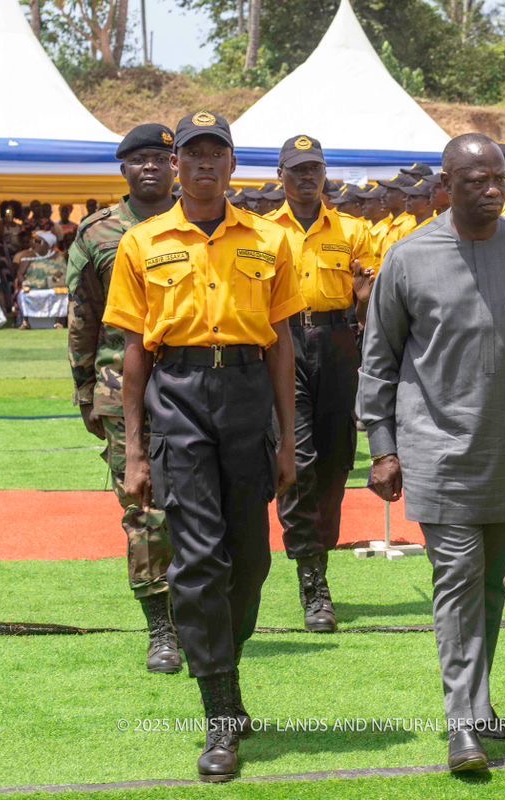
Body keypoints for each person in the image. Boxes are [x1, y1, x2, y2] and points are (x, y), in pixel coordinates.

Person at [357, 134, 505, 772]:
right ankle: (463, 725)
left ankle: (478, 705)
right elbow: (379, 362)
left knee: (489, 586)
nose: (490, 191)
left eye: (499, 181)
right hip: (438, 450)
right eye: (475, 181)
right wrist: (382, 446)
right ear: (445, 188)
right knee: (457, 581)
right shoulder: (407, 260)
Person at [102, 111, 302, 783]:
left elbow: (284, 349)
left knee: (249, 562)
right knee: (195, 562)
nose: (206, 165)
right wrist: (134, 453)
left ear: (233, 166)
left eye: (218, 154)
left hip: (247, 393)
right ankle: (221, 711)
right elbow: (132, 354)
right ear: (178, 165)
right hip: (177, 394)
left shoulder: (271, 241)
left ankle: (225, 660)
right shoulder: (142, 242)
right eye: (195, 155)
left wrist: (288, 441)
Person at [66, 123, 180, 674]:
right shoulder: (98, 232)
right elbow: (83, 316)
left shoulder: (201, 222)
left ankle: (198, 611)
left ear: (175, 164)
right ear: (124, 170)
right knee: (143, 508)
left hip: (196, 381)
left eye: (161, 157)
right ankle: (160, 625)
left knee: (201, 503)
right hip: (120, 384)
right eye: (140, 159)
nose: (151, 167)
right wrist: (84, 389)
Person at [266, 134, 377, 634]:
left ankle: (320, 548)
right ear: (280, 176)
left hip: (337, 344)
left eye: (314, 169)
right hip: (286, 340)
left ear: (325, 174)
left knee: (336, 461)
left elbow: (372, 302)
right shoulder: (265, 233)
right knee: (300, 458)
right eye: (296, 170)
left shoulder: (354, 231)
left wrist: (366, 296)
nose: (306, 178)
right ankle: (313, 580)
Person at [15, 230, 68, 328]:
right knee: (23, 294)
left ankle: (59, 322)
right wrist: (25, 282)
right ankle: (26, 321)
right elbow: (20, 273)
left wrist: (48, 282)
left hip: (51, 287)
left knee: (62, 294)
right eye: (34, 241)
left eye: (38, 242)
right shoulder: (28, 256)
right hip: (32, 288)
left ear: (48, 245)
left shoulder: (58, 257)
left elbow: (62, 274)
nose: (35, 244)